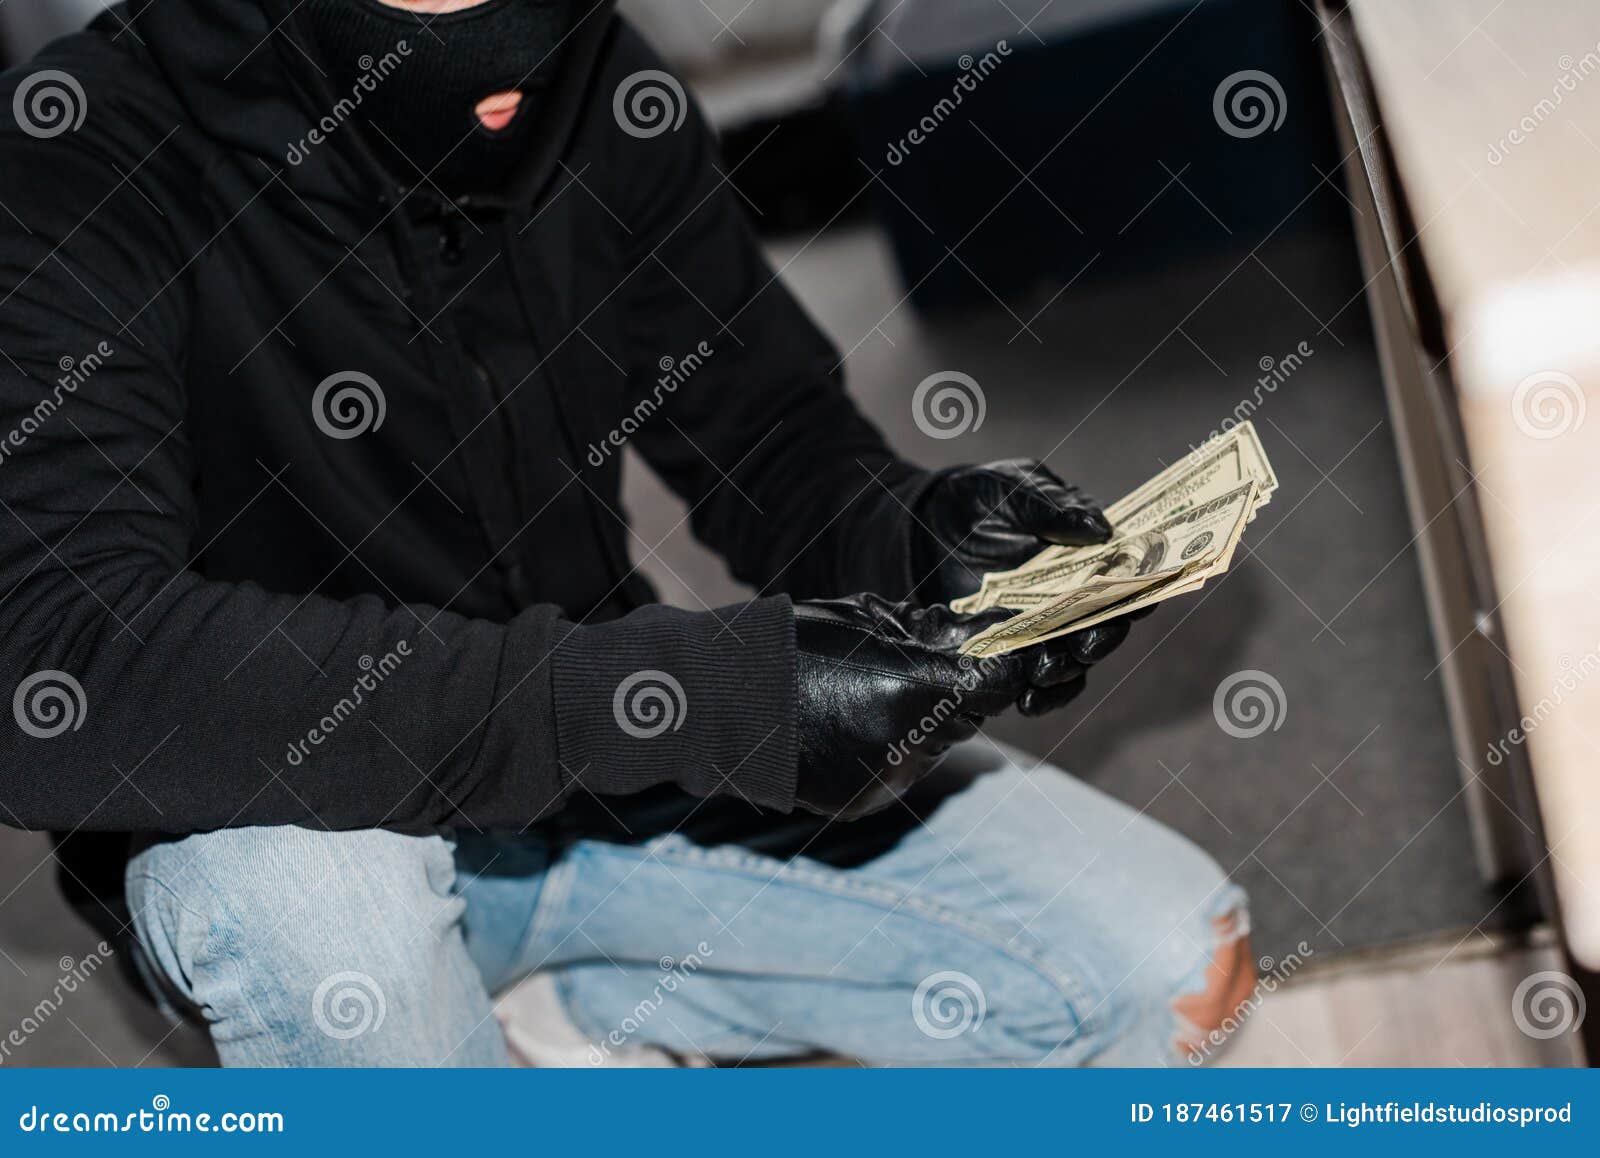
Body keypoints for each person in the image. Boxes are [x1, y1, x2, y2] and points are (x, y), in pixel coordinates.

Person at [0, 0, 1252, 1067]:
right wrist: (703, 697)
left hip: (593, 769)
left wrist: (916, 534)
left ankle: (563, 1022)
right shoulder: (78, 149)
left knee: (1174, 971)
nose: (510, 65)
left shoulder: (597, 81)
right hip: (322, 831)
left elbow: (765, 433)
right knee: (316, 915)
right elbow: (52, 666)